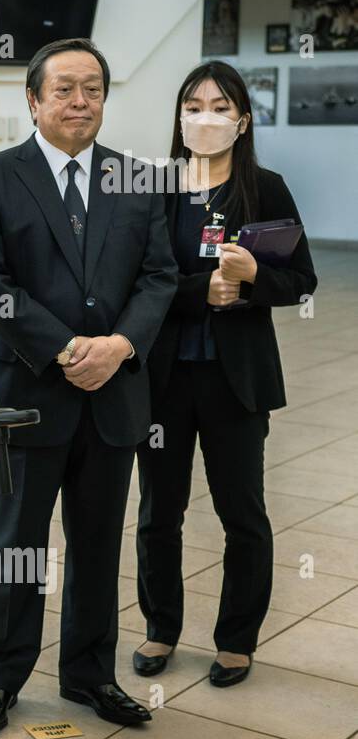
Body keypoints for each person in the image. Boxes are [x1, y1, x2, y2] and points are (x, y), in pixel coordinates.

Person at [0, 37, 177, 736]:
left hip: (111, 394)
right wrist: (64, 350)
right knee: (14, 542)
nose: (80, 101)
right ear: (32, 99)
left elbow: (159, 276)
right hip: (24, 394)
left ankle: (90, 675)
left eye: (93, 89)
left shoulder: (138, 179)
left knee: (96, 544)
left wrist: (117, 346)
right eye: (64, 89)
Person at [132, 60, 317, 687]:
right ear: (179, 116)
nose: (204, 116)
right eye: (193, 105)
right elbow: (137, 283)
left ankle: (236, 638)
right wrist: (198, 292)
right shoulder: (155, 188)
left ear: (242, 120)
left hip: (236, 380)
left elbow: (301, 281)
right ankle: (160, 627)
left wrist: (254, 278)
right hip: (163, 379)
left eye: (219, 106)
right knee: (160, 510)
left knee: (243, 511)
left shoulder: (266, 188)